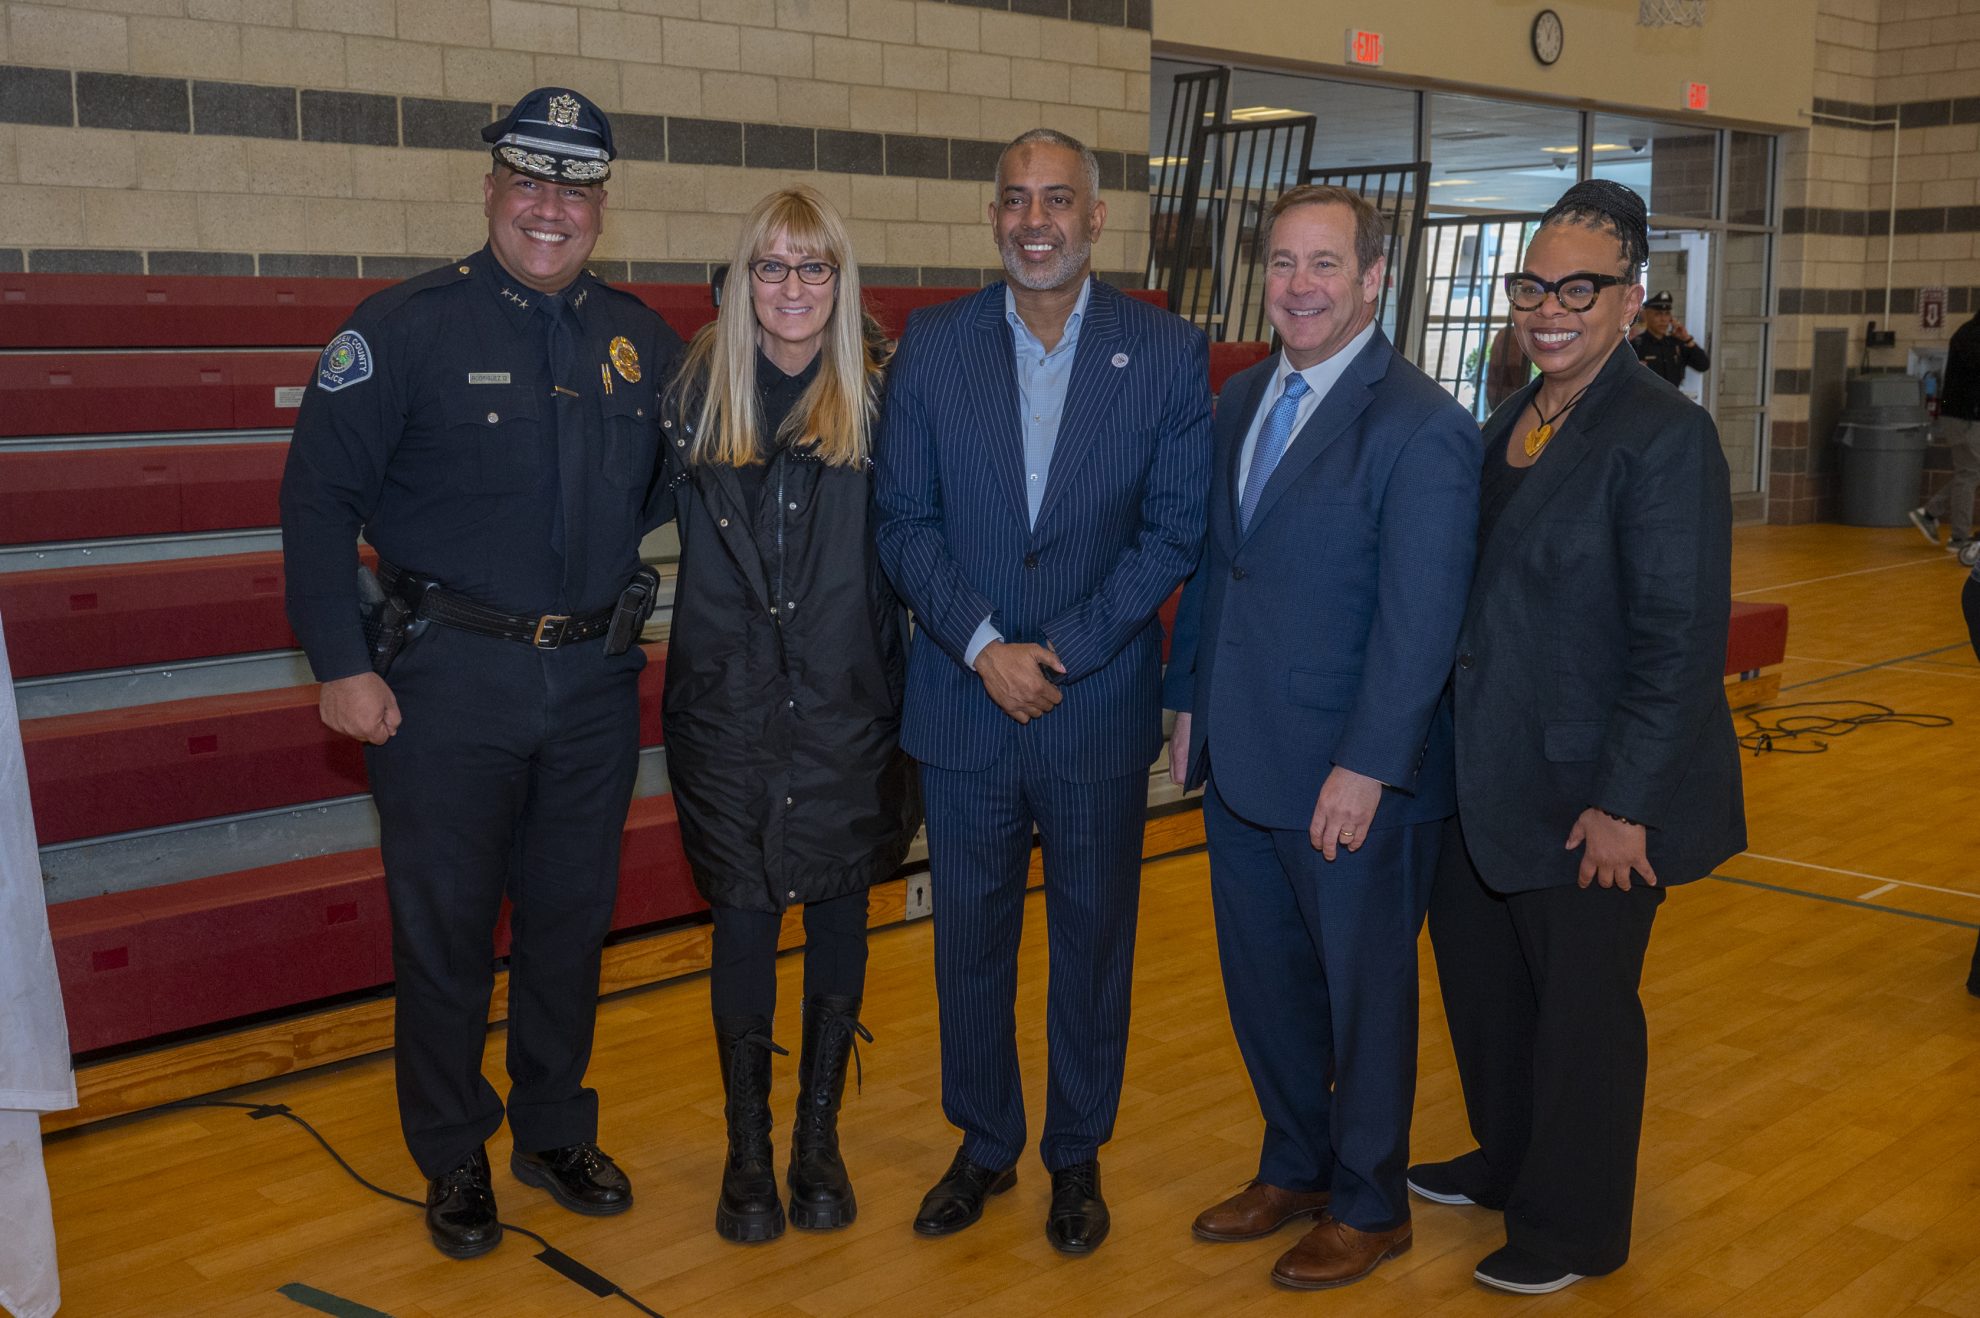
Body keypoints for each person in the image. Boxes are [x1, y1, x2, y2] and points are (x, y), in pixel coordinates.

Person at [279, 87, 682, 1259]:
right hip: (445, 683)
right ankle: (453, 1147)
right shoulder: (404, 328)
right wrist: (340, 665)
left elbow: (669, 488)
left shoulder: (640, 340)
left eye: (577, 187)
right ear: (491, 185)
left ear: (603, 206)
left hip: (594, 685)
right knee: (448, 931)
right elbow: (316, 504)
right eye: (531, 180)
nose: (551, 207)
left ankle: (554, 1126)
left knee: (569, 923)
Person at [873, 127, 1211, 1255]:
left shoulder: (1164, 351)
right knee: (967, 940)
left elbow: (1171, 532)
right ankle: (983, 1142)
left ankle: (1076, 1152)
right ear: (993, 217)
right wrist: (981, 646)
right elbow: (903, 524)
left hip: (1094, 703)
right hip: (964, 705)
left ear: (1095, 218)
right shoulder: (929, 347)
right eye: (1015, 199)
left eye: (1056, 199)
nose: (1035, 220)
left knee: (1091, 942)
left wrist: (1055, 650)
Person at [1411, 179, 1745, 1295]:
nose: (1548, 307)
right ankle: (1510, 1162)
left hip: (1590, 793)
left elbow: (1680, 636)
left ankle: (1574, 1226)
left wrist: (1626, 803)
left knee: (1582, 1017)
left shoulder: (1663, 434)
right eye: (1532, 285)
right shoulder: (1516, 415)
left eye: (1579, 287)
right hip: (1488, 773)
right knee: (1490, 990)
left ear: (1631, 297)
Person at [1162, 184, 1481, 1291]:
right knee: (1267, 985)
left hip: (1353, 776)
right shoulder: (1241, 398)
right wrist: (1185, 696)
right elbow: (1219, 566)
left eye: (1325, 265)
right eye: (1284, 263)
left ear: (1374, 278)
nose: (1300, 285)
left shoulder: (1424, 427)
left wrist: (1369, 763)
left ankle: (1370, 1198)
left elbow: (1421, 617)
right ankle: (1294, 1163)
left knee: (1363, 994)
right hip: (1240, 757)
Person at [653, 186, 917, 1244]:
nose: (794, 289)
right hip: (729, 713)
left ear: (840, 283)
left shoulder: (887, 398)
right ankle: (747, 1151)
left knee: (844, 917)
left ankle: (818, 1141)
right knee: (746, 926)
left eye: (815, 269)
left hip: (852, 710)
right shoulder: (687, 397)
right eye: (773, 267)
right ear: (742, 281)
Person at [1910, 309, 1980, 555]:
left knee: (1969, 472)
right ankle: (1959, 538)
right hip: (1964, 417)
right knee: (1969, 473)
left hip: (1965, 415)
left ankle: (1930, 512)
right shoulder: (1971, 335)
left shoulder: (1968, 332)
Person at [1630, 289, 1710, 386]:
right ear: (1647, 315)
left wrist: (1687, 338)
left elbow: (1703, 365)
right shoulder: (1637, 345)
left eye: (1667, 314)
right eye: (1658, 314)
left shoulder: (1676, 344)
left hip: (1673, 400)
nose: (1663, 319)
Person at [1484, 319, 1532, 413]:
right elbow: (1515, 368)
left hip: (1500, 399)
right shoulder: (1514, 336)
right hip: (1509, 399)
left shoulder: (1504, 333)